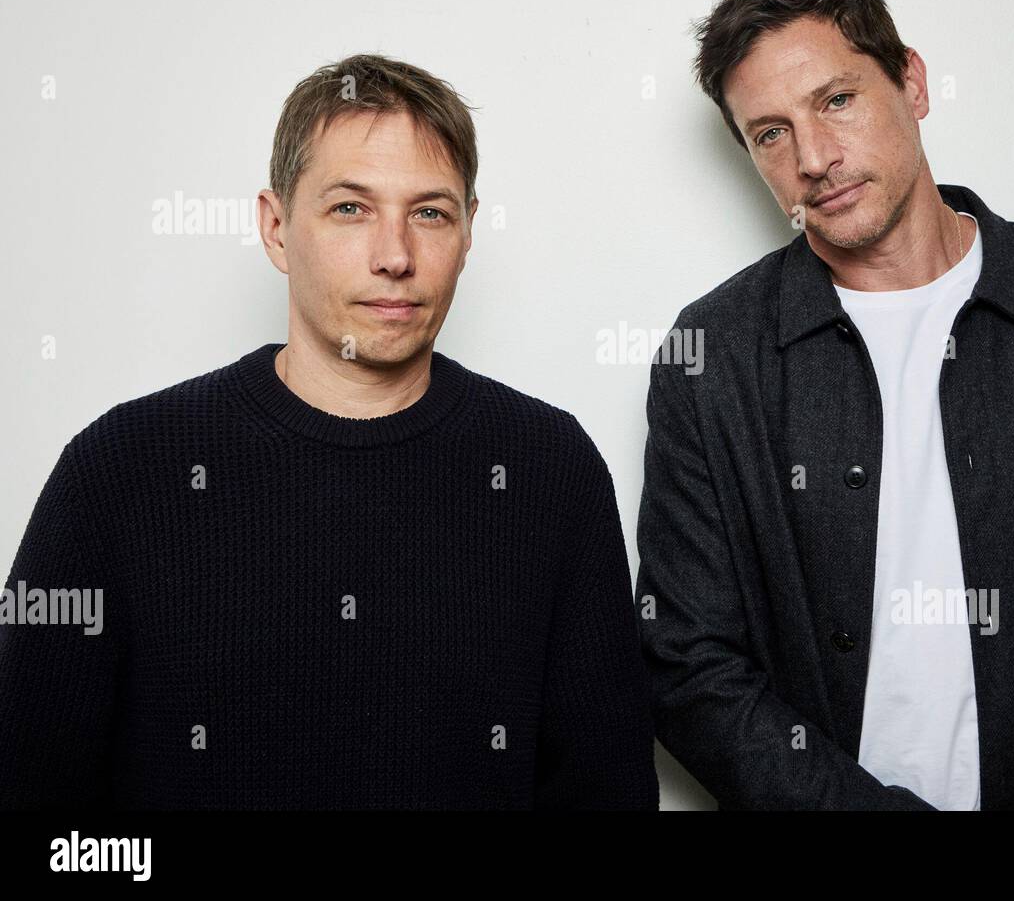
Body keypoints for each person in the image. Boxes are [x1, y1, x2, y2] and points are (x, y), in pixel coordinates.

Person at [634, 0, 1014, 810]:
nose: (813, 157)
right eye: (769, 133)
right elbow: (686, 660)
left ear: (911, 81)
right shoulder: (712, 356)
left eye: (836, 100)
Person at [0, 53, 658, 810]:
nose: (395, 257)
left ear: (469, 231)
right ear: (276, 228)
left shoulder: (549, 469)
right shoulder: (118, 472)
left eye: (430, 213)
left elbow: (606, 794)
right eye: (350, 209)